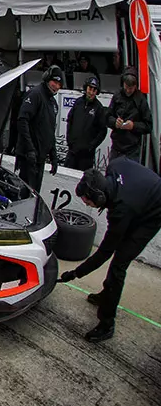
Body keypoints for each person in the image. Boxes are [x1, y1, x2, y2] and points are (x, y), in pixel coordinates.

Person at [60, 159, 161, 342]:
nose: (88, 205)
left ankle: (106, 323)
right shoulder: (114, 166)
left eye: (89, 202)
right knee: (119, 253)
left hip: (153, 214)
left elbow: (104, 252)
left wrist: (76, 273)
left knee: (118, 264)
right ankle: (107, 295)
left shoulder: (121, 210)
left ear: (99, 197)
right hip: (141, 200)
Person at [16, 65, 62, 193]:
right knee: (24, 194)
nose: (56, 86)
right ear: (47, 79)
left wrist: (53, 156)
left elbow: (50, 131)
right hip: (27, 157)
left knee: (35, 194)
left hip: (39, 159)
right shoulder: (35, 94)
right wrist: (29, 148)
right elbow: (22, 120)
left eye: (59, 83)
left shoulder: (53, 104)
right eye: (54, 82)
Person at [105, 68, 152, 162]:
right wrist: (115, 122)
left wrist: (133, 126)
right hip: (116, 148)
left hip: (132, 150)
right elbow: (107, 117)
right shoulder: (117, 95)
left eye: (130, 88)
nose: (127, 90)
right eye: (126, 86)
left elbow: (148, 126)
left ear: (135, 86)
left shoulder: (141, 100)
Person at [65, 76, 106, 170]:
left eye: (94, 90)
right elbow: (69, 120)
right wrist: (69, 139)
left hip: (86, 156)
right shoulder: (78, 102)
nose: (91, 92)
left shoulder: (98, 108)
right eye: (90, 89)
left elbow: (103, 131)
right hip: (72, 151)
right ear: (86, 88)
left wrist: (91, 146)